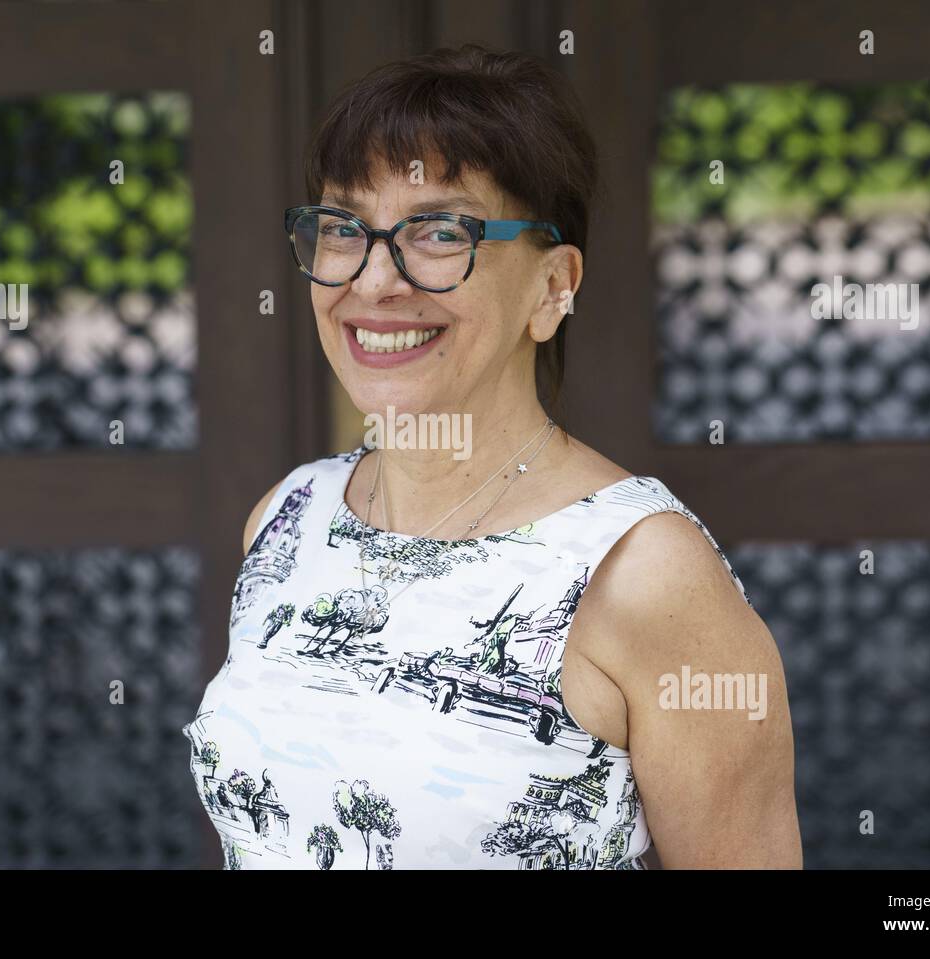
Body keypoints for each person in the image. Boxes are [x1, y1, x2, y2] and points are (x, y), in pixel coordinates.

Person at [184, 43, 800, 870]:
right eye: (343, 228)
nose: (373, 281)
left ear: (553, 287)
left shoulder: (643, 572)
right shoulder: (289, 515)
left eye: (439, 230)